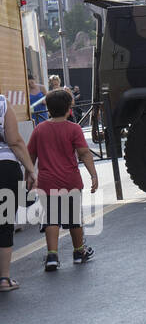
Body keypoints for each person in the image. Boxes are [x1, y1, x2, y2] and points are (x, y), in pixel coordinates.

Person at [28, 88, 98, 271]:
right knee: (74, 218)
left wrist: (29, 176)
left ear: (48, 110)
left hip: (47, 182)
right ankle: (79, 251)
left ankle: (52, 256)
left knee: (51, 219)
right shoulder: (73, 128)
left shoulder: (39, 129)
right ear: (69, 108)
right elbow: (84, 153)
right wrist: (93, 175)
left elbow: (31, 155)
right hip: (70, 181)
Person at [0, 92, 39, 291]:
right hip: (4, 169)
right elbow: (14, 140)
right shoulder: (1, 102)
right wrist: (30, 170)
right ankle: (3, 279)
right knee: (4, 222)